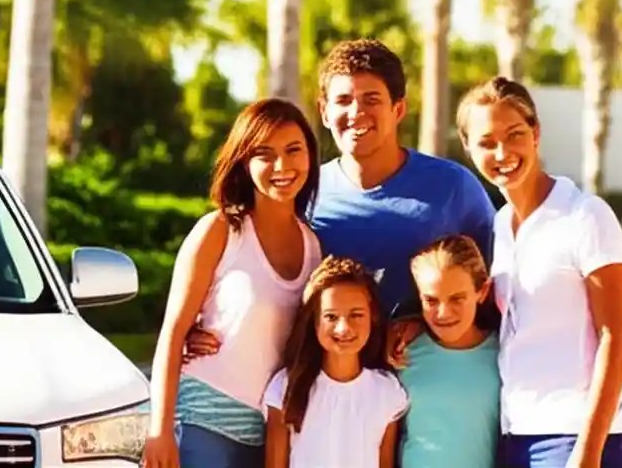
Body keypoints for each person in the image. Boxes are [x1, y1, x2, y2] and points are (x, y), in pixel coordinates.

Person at [187, 39, 497, 366]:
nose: (355, 113)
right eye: (343, 100)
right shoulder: (300, 192)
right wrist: (201, 325)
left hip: (428, 381)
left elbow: (496, 287)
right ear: (324, 111)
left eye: (371, 99)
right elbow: (258, 275)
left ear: (398, 109)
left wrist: (423, 320)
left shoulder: (454, 187)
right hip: (331, 392)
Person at [456, 77, 622, 468]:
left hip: (577, 436)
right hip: (517, 432)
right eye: (486, 142)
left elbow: (615, 337)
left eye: (514, 134)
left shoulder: (585, 215)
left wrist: (588, 452)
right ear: (468, 148)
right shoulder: (502, 225)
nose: (502, 152)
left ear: (535, 133)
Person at [142, 98, 324, 468]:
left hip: (271, 431)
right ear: (244, 161)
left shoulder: (313, 246)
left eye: (294, 150)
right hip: (203, 421)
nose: (282, 166)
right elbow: (173, 334)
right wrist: (158, 431)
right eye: (264, 154)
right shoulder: (220, 230)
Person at [264, 256, 409, 468]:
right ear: (314, 322)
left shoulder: (387, 391)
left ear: (373, 316)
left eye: (356, 315)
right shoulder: (285, 386)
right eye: (331, 317)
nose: (344, 328)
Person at [398, 234, 501, 468]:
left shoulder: (503, 356)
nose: (443, 313)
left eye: (457, 299)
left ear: (482, 292)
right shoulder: (402, 353)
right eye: (431, 301)